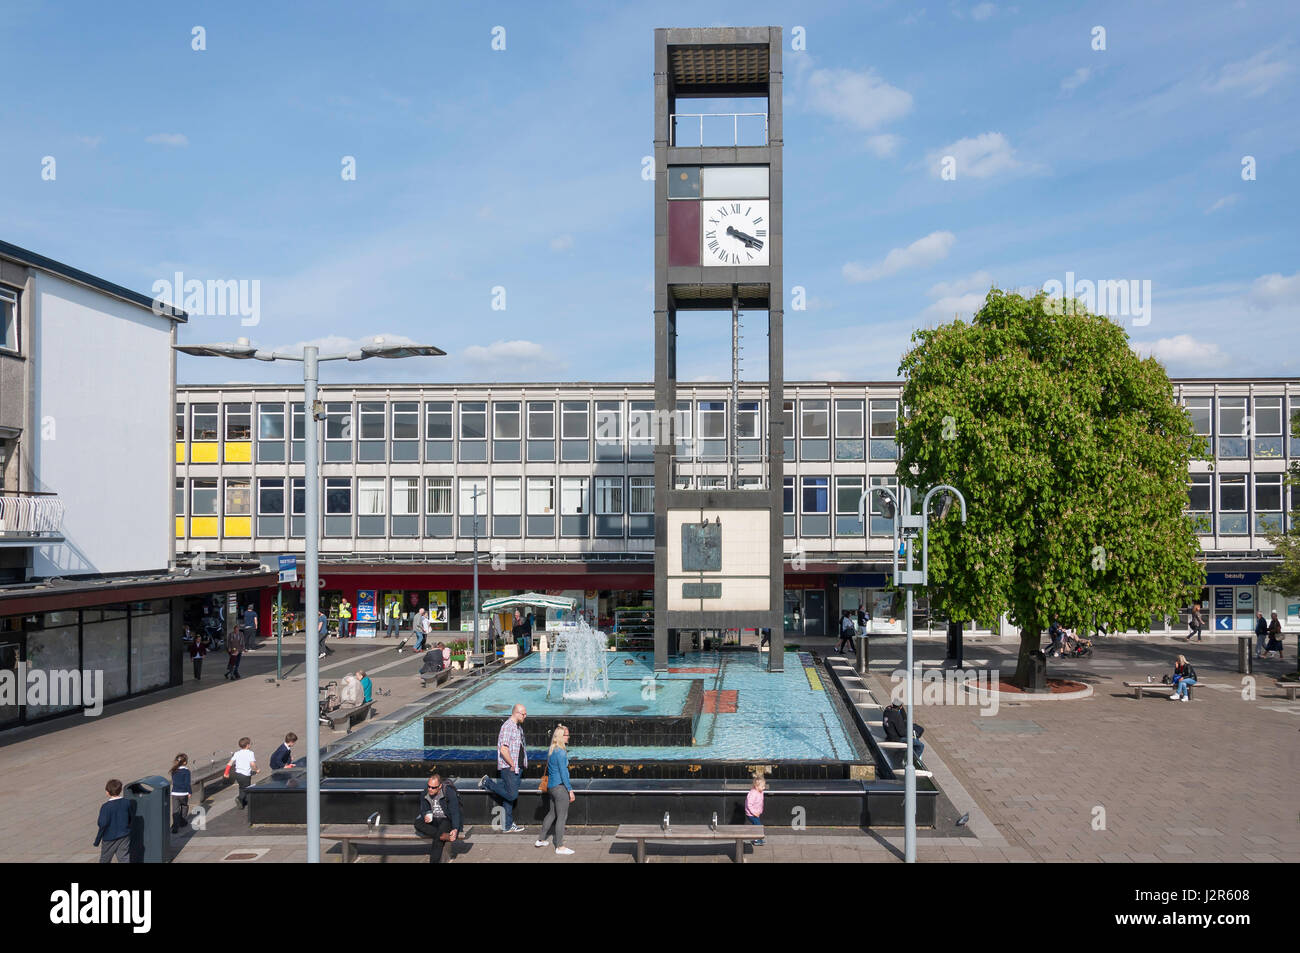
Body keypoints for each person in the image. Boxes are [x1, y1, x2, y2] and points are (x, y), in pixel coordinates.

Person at [479, 703, 528, 833]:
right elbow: (503, 749)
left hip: (517, 767)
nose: (525, 716)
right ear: (516, 713)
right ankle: (487, 782)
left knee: (508, 798)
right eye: (523, 714)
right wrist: (512, 764)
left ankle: (507, 825)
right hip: (510, 768)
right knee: (512, 795)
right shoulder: (508, 727)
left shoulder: (518, 727)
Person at [536, 725, 575, 855]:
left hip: (551, 787)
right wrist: (570, 790)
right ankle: (560, 847)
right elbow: (564, 773)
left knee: (552, 813)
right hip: (560, 788)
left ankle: (540, 840)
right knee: (562, 817)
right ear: (560, 737)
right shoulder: (561, 752)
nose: (568, 737)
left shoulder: (552, 750)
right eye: (566, 735)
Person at [414, 773, 463, 863]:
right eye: (429, 786)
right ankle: (443, 836)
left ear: (440, 786)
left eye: (433, 787)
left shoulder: (449, 792)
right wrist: (426, 815)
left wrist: (455, 829)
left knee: (438, 839)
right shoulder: (425, 793)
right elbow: (423, 809)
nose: (430, 789)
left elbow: (455, 812)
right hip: (433, 819)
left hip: (446, 819)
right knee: (417, 823)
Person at [93, 779, 136, 863]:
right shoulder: (127, 802)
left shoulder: (105, 807)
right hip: (124, 835)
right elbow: (131, 817)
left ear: (107, 792)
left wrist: (97, 840)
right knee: (124, 857)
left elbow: (102, 824)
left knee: (105, 858)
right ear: (120, 790)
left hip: (109, 838)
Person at [228, 737, 258, 808]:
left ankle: (242, 802)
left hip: (238, 774)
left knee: (241, 787)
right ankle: (239, 798)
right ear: (247, 745)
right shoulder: (250, 753)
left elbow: (230, 763)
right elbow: (252, 764)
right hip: (245, 774)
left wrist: (226, 772)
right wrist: (256, 770)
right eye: (250, 743)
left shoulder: (237, 753)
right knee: (246, 789)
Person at [169, 754, 192, 834]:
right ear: (185, 762)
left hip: (175, 793)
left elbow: (174, 781)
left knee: (175, 810)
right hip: (183, 793)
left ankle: (175, 826)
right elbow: (187, 783)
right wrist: (189, 792)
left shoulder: (174, 770)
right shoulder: (186, 771)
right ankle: (182, 821)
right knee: (184, 806)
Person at [745, 774, 766, 846]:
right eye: (762, 786)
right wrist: (754, 813)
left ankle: (758, 839)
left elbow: (760, 802)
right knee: (758, 826)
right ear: (756, 786)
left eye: (764, 786)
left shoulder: (760, 791)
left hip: (756, 813)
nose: (764, 788)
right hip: (751, 814)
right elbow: (749, 804)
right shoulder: (753, 793)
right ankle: (757, 840)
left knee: (756, 826)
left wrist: (760, 811)